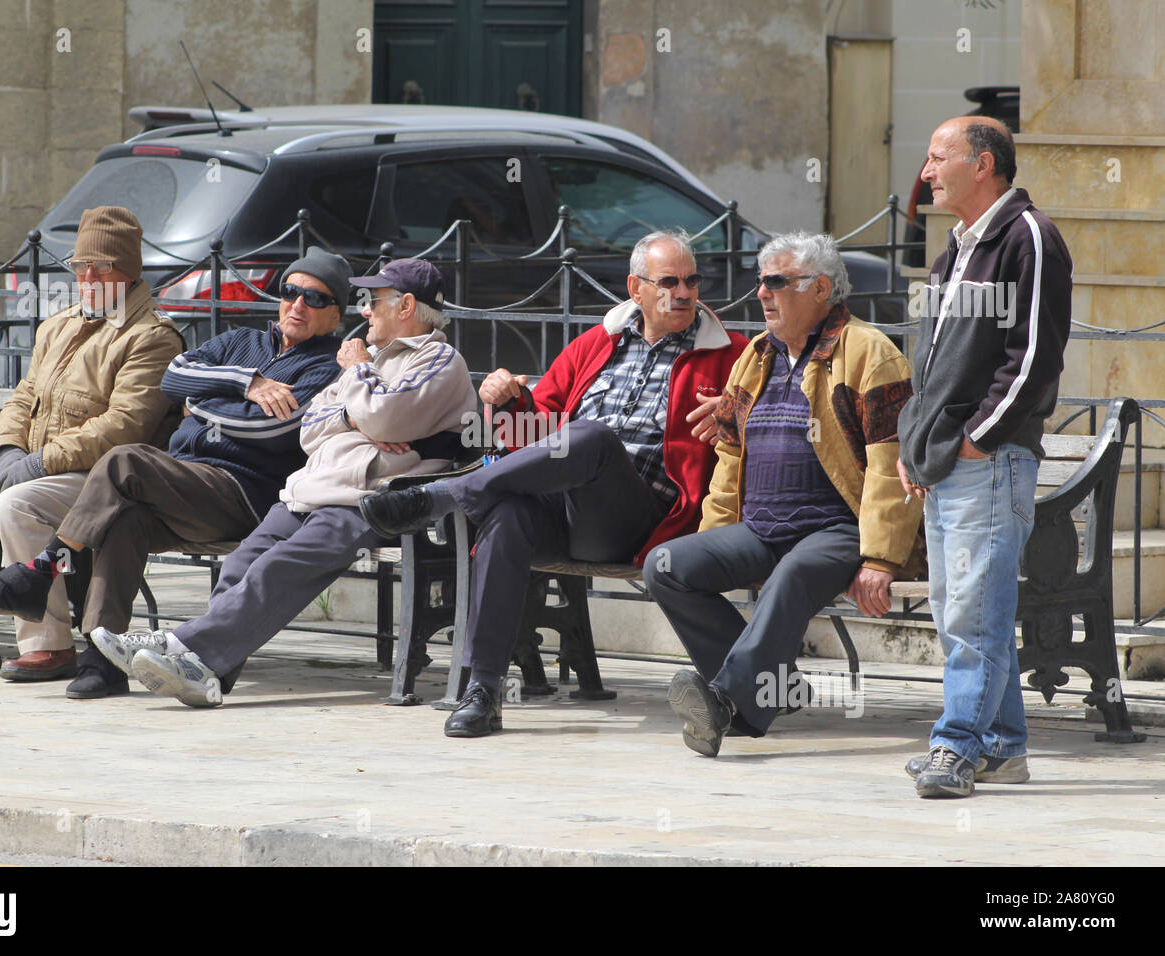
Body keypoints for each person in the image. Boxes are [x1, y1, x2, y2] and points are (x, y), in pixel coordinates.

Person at [359, 231, 749, 737]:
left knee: (590, 437)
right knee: (506, 515)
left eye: (692, 281)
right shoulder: (597, 343)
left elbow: (776, 421)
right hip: (564, 506)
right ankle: (485, 689)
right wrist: (510, 399)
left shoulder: (733, 355)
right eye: (668, 281)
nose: (684, 292)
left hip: (641, 519)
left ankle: (448, 494)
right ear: (636, 287)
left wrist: (736, 412)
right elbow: (538, 423)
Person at [0, 249, 350, 698]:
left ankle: (40, 572)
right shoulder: (242, 340)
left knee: (127, 459)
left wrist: (205, 400)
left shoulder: (328, 364)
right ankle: (101, 661)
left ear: (335, 314)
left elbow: (269, 426)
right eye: (290, 292)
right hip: (182, 479)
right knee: (126, 521)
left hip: (241, 493)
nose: (297, 305)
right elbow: (175, 377)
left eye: (314, 299)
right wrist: (246, 385)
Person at [87, 259, 476, 707]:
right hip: (310, 490)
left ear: (406, 305)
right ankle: (205, 674)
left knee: (280, 567)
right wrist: (356, 415)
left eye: (375, 301)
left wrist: (359, 386)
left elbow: (383, 417)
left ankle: (177, 647)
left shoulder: (437, 360)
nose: (365, 311)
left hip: (372, 500)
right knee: (240, 565)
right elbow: (310, 429)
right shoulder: (363, 358)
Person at [642, 232, 922, 756]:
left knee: (791, 574)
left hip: (837, 529)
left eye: (776, 282)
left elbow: (891, 464)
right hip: (760, 530)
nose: (762, 294)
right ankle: (774, 688)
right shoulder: (756, 355)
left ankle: (726, 703)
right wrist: (714, 542)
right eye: (760, 282)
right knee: (665, 565)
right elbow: (729, 455)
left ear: (820, 289)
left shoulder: (869, 353)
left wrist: (881, 558)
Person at [0, 207, 184, 680]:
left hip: (102, 479)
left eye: (101, 266)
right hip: (41, 469)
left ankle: (50, 645)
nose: (88, 276)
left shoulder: (152, 337)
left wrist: (38, 463)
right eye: (80, 266)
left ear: (129, 270)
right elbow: (22, 400)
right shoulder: (57, 327)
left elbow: (125, 427)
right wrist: (9, 451)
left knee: (18, 504)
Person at [898, 116, 1072, 798]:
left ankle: (956, 746)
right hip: (950, 462)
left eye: (939, 156)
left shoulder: (1028, 237)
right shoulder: (956, 249)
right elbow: (931, 364)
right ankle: (1002, 748)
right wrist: (920, 444)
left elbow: (1033, 359)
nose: (927, 170)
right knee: (958, 609)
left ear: (985, 164)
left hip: (988, 462)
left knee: (972, 613)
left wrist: (979, 438)